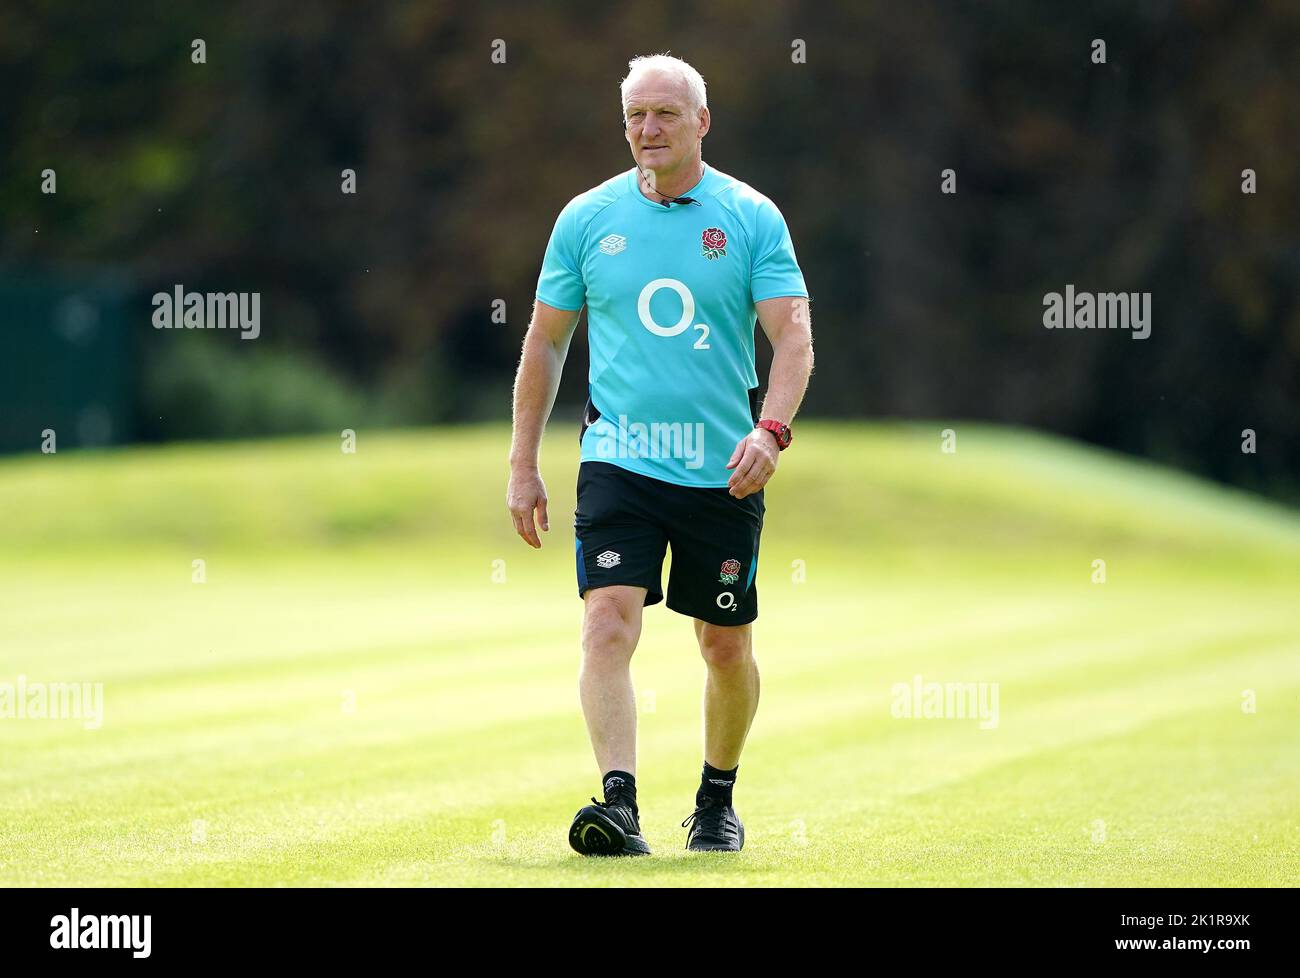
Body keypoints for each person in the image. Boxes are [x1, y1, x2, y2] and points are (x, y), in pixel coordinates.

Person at [507, 53, 814, 855]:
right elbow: (545, 341)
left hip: (724, 468)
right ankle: (619, 804)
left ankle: (717, 799)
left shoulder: (750, 217)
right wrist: (523, 462)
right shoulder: (585, 219)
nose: (648, 129)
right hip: (619, 460)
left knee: (724, 644)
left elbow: (794, 339)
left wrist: (771, 433)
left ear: (701, 123)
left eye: (666, 115)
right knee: (607, 623)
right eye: (636, 115)